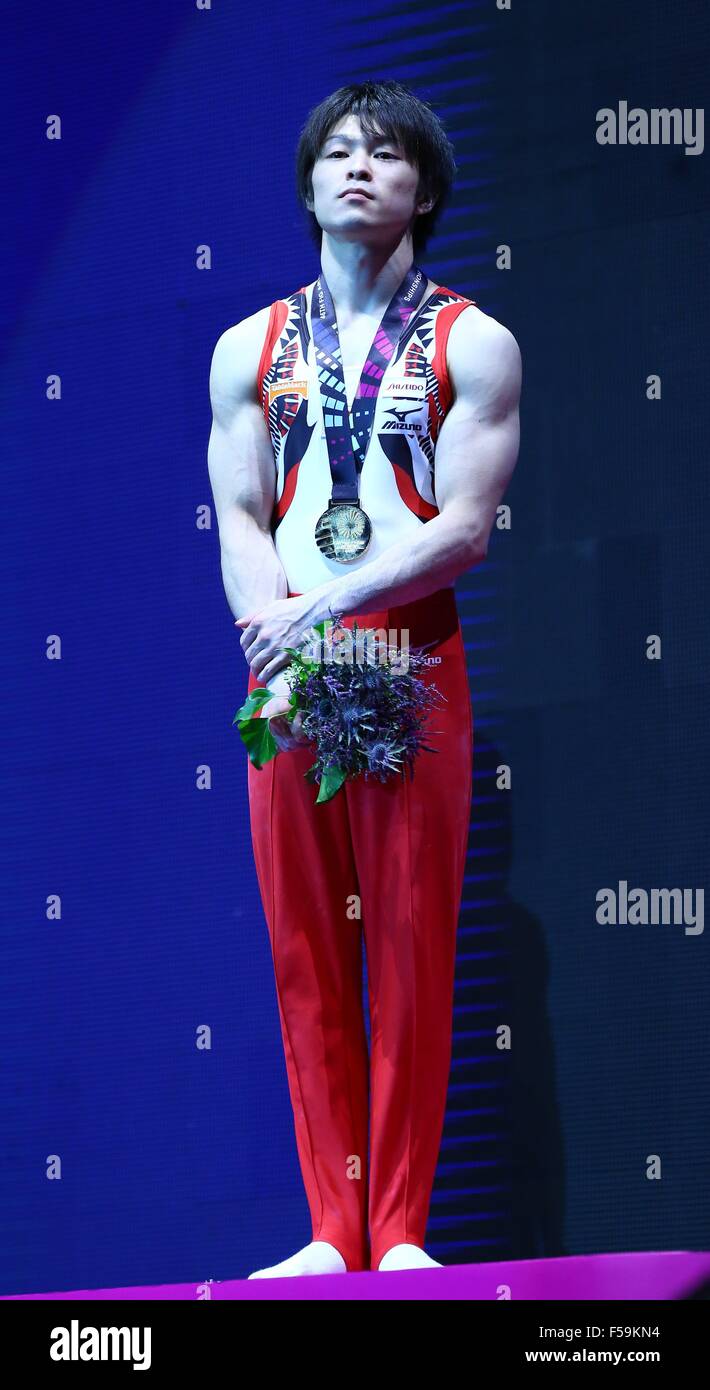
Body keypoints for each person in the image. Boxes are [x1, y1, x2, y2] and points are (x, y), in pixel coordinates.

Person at [207, 79, 521, 1278]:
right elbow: (238, 511)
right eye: (335, 152)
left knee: (405, 948)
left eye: (383, 155)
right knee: (306, 957)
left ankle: (397, 1233)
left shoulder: (470, 339)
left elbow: (466, 526)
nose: (355, 168)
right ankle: (328, 1235)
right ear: (306, 186)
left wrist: (323, 606)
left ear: (423, 191)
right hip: (288, 674)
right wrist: (266, 628)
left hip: (407, 658)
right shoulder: (251, 346)